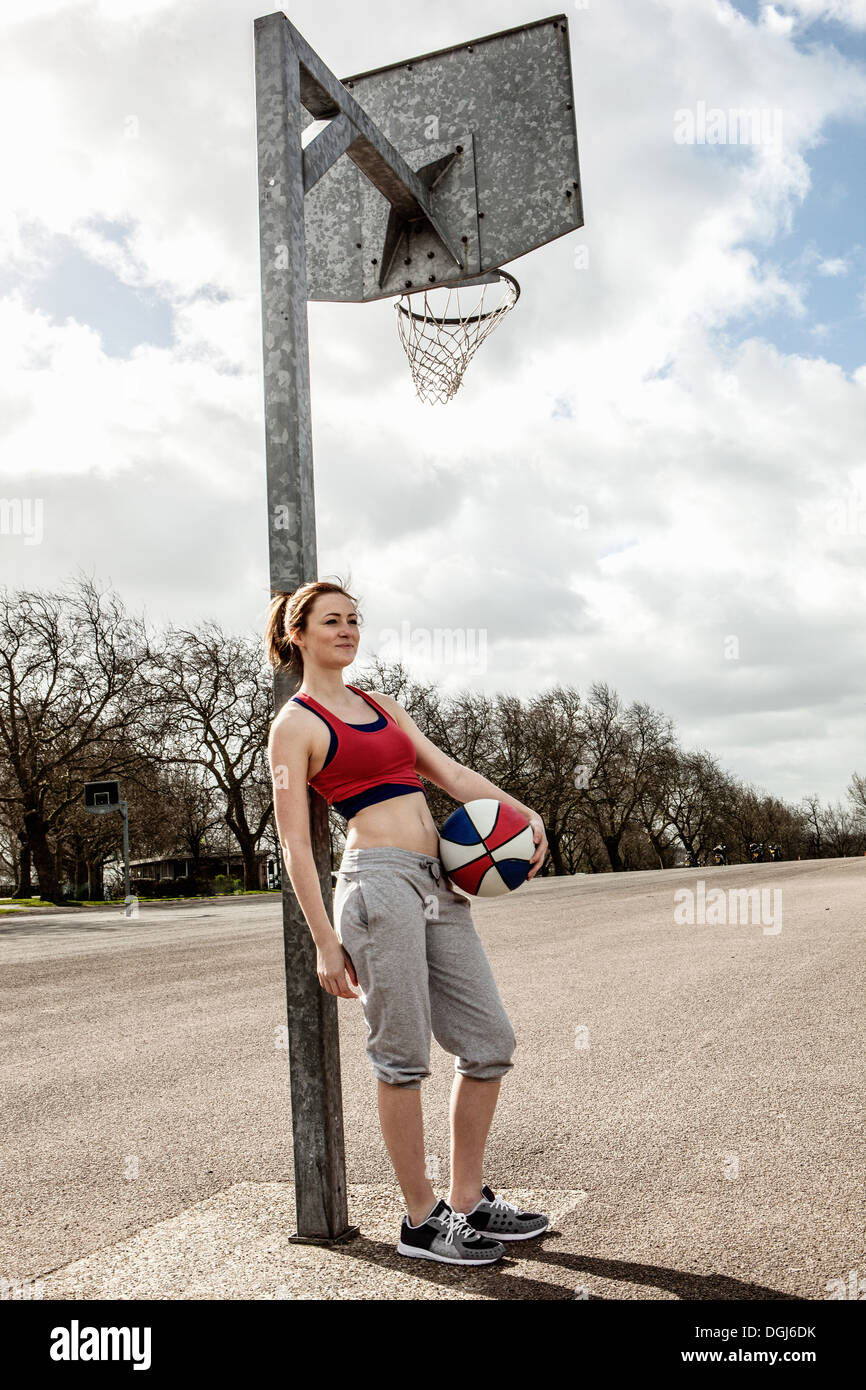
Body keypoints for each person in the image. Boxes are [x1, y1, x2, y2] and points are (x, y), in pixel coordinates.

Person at [264, 578, 550, 1266]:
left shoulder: (381, 705)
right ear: (297, 634)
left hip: (438, 882)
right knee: (402, 1058)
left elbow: (449, 774)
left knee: (489, 1040)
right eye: (332, 621)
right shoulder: (296, 725)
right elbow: (296, 845)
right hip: (377, 884)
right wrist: (325, 942)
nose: (347, 631)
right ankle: (422, 1220)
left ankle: (470, 1196)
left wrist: (525, 815)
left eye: (355, 620)